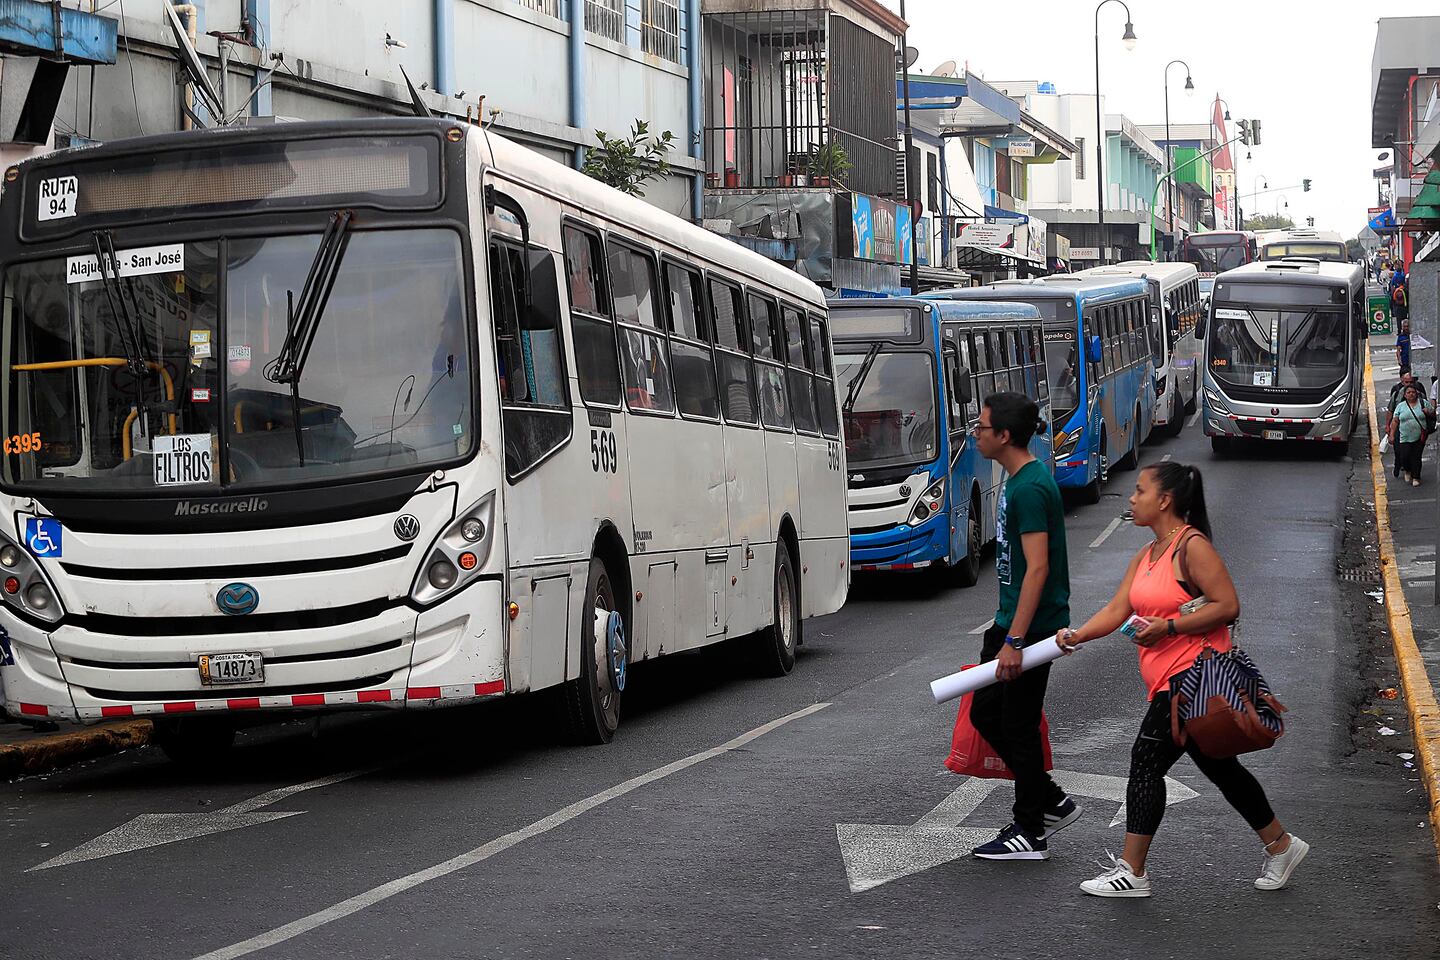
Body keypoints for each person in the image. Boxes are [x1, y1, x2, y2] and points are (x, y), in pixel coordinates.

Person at [1058, 463, 1308, 897]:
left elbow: (1228, 605)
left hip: (1192, 679)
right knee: (1220, 768)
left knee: (1146, 761)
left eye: (1139, 491)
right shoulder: (1148, 553)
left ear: (1165, 500)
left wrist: (1169, 628)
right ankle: (1281, 845)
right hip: (1168, 681)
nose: (1131, 499)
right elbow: (1118, 611)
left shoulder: (1191, 547)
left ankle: (1132, 871)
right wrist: (1077, 635)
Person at [968, 392, 1080, 861]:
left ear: (1005, 435)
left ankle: (1030, 830)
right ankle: (1048, 800)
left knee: (1017, 724)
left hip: (1029, 628)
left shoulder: (1030, 488)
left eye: (982, 427)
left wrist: (1015, 640)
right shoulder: (1018, 481)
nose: (975, 434)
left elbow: (1037, 569)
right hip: (1011, 622)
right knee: (987, 714)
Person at [1388, 382, 1434, 486]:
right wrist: (1391, 434)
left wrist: (1428, 412)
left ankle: (1416, 477)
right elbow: (1395, 421)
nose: (1411, 394)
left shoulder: (1423, 403)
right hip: (1404, 436)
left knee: (1416, 457)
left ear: (1416, 393)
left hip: (1419, 436)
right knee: (1404, 456)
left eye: (1413, 392)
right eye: (1408, 392)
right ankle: (1408, 470)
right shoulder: (1400, 406)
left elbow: (1433, 413)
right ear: (1405, 395)